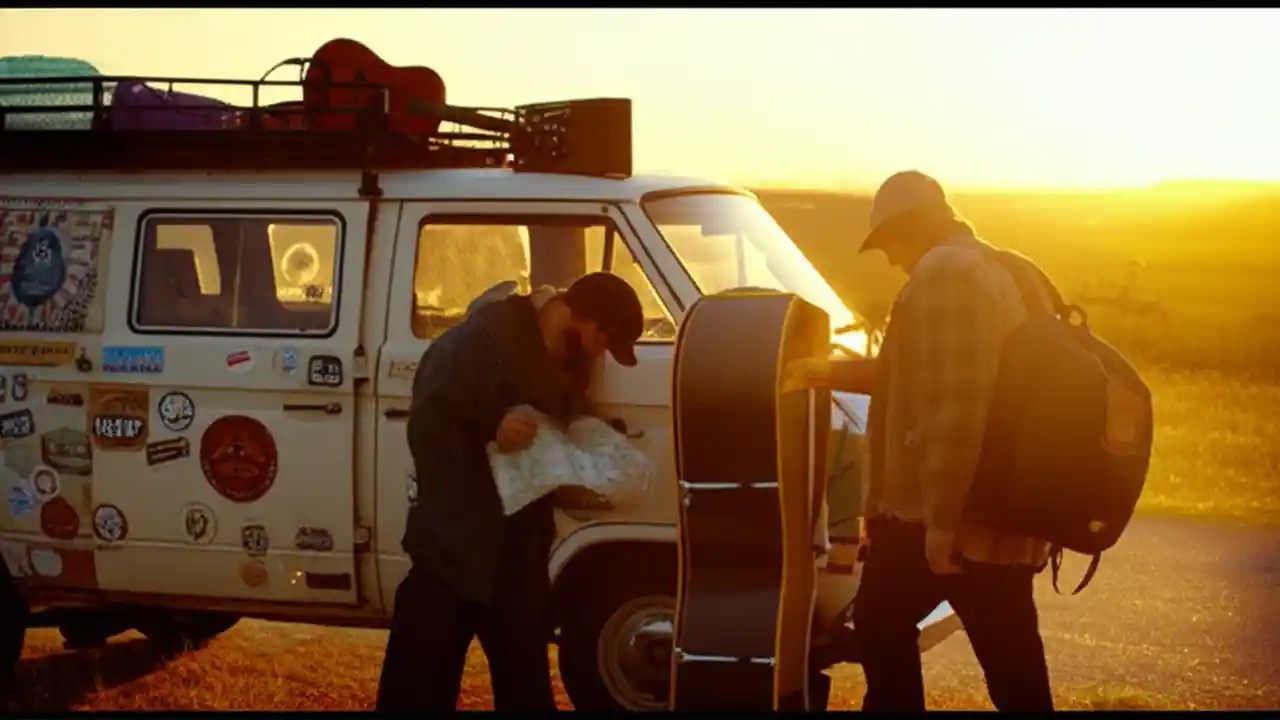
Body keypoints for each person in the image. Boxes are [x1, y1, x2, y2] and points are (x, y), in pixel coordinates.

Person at [809, 171, 1055, 711]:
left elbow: (956, 406)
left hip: (946, 516)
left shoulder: (947, 275)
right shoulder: (993, 265)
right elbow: (910, 373)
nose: (892, 260)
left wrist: (942, 525)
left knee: (880, 623)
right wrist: (822, 371)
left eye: (890, 244)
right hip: (991, 511)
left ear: (909, 229)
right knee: (1011, 660)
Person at [376, 271, 645, 712]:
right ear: (576, 315)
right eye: (602, 340)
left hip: (518, 554)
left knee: (527, 693)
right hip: (453, 547)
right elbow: (428, 424)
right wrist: (491, 425)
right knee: (417, 690)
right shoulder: (475, 344)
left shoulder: (568, 362)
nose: (600, 354)